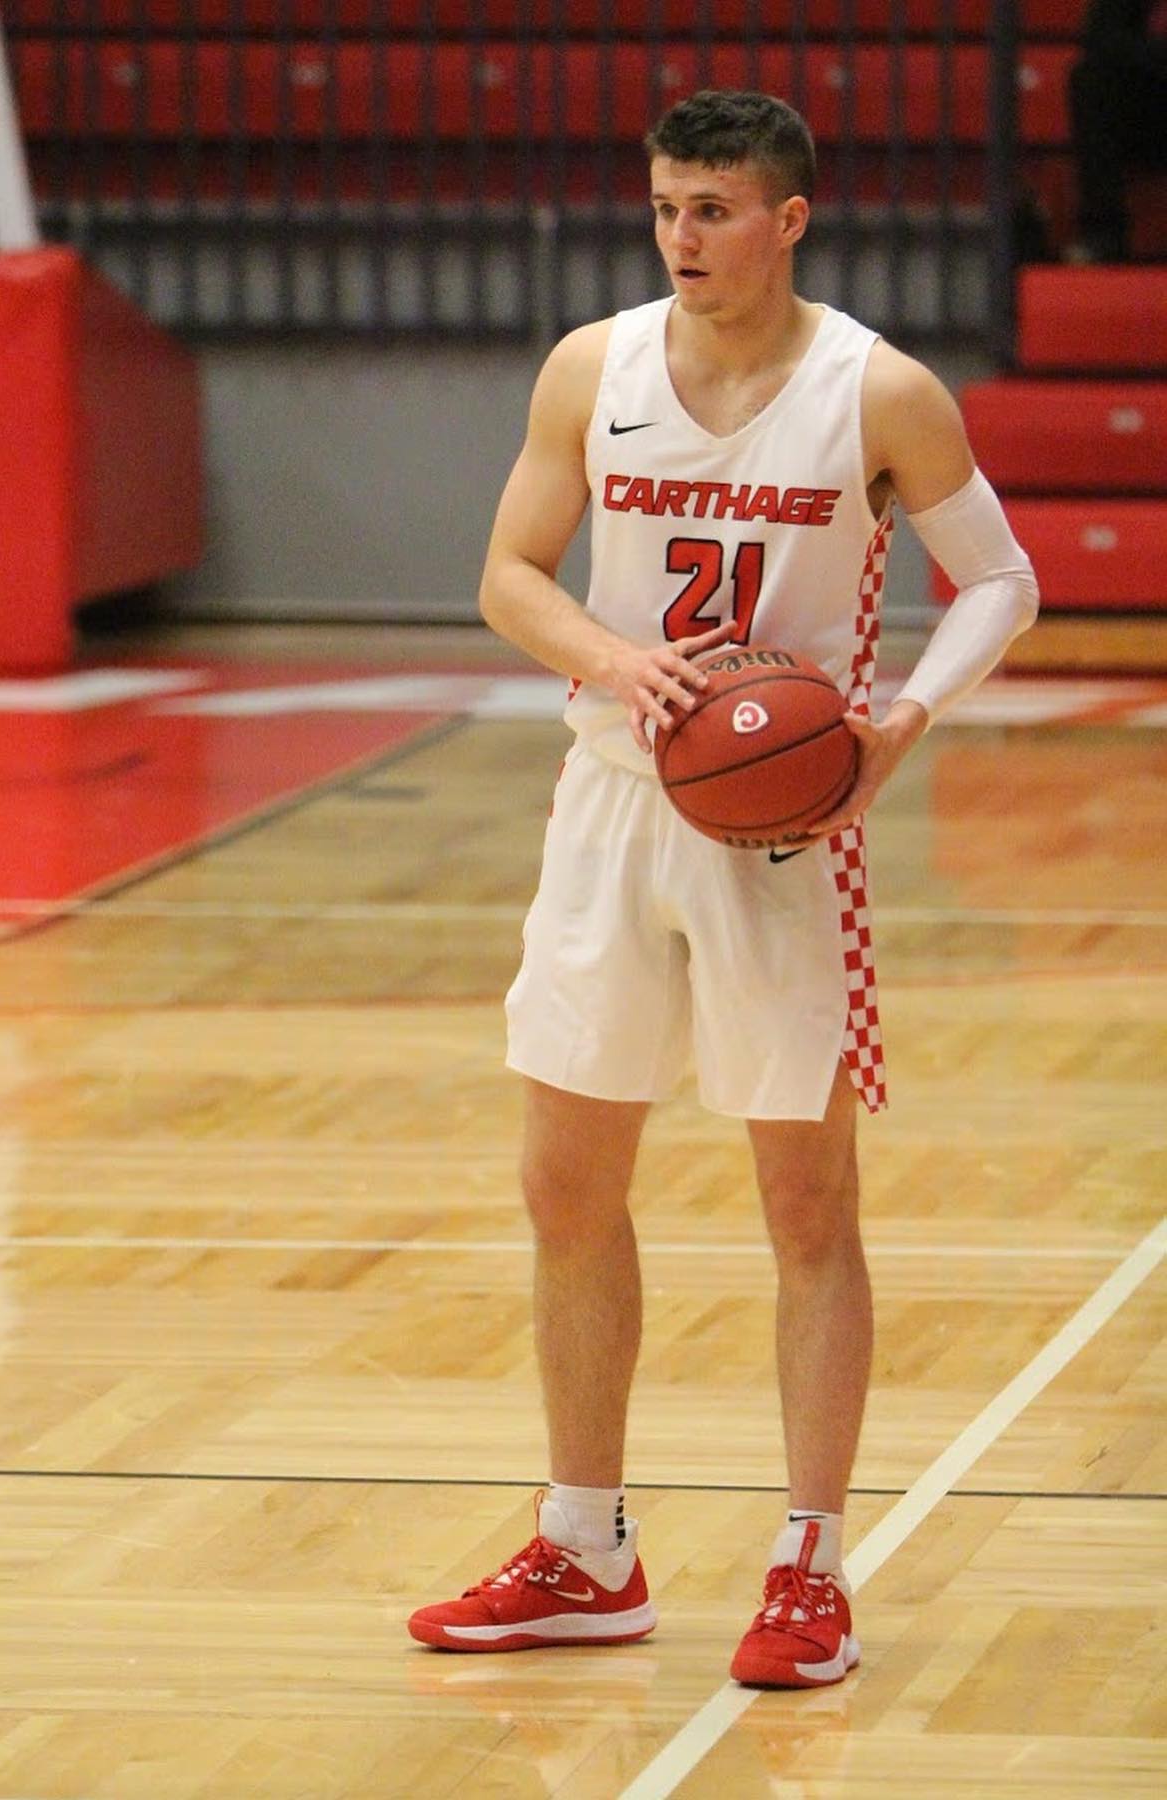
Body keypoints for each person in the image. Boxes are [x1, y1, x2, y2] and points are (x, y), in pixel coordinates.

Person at [407, 90, 1038, 1686]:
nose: (683, 237)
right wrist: (622, 663)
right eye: (667, 206)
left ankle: (810, 1565)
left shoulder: (878, 391)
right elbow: (506, 578)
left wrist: (898, 719)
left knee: (804, 1203)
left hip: (781, 837)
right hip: (611, 803)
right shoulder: (591, 366)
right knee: (565, 1181)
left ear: (790, 221)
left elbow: (1005, 581)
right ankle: (584, 1543)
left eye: (714, 210)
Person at [1067, 0, 1167, 263]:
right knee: (1090, 81)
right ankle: (1104, 236)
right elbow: (1101, 38)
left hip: (1149, 72)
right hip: (1147, 109)